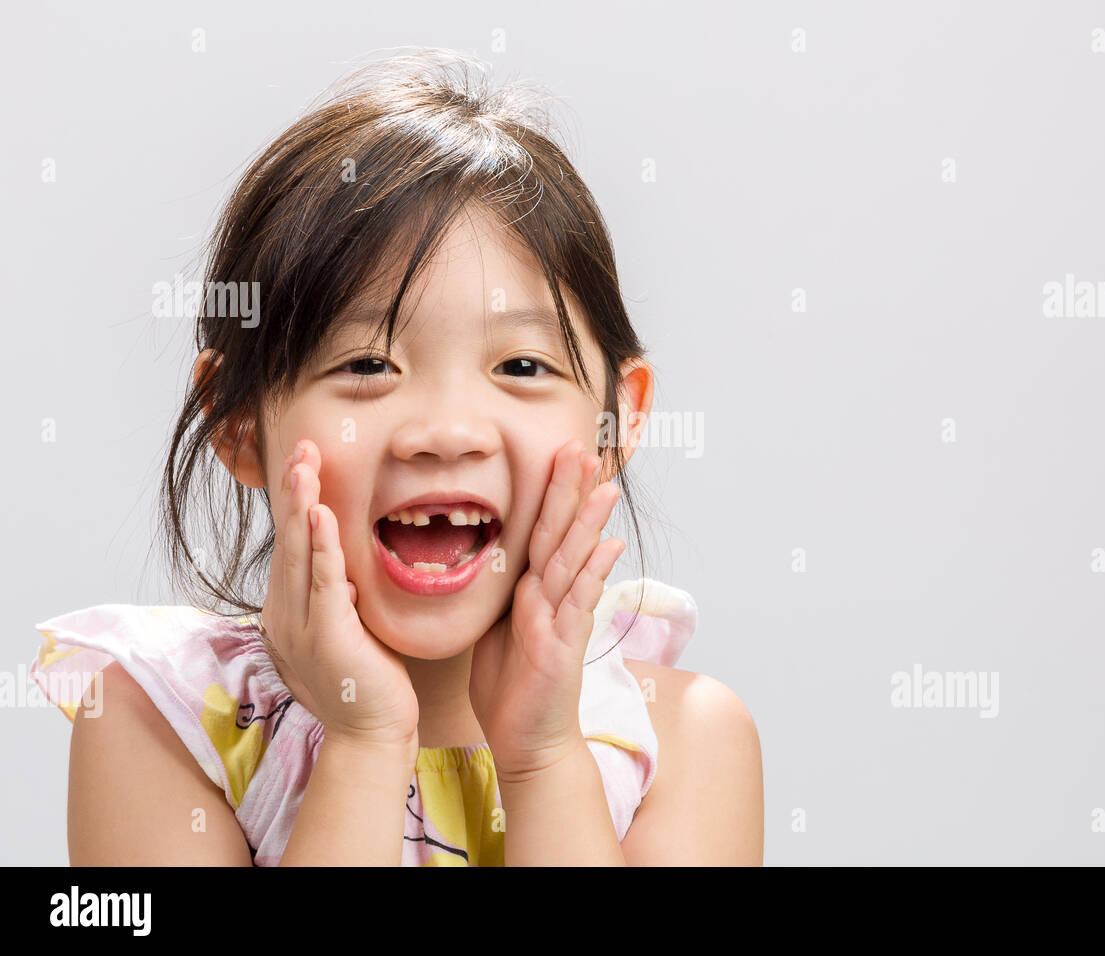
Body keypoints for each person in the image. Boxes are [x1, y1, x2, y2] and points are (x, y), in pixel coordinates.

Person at [30, 49, 763, 866]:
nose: (447, 432)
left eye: (521, 367)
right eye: (367, 365)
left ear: (617, 421)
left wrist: (543, 760)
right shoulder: (157, 721)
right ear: (237, 421)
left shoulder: (682, 741)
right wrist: (364, 742)